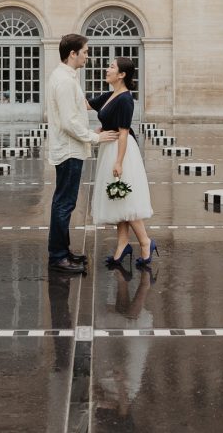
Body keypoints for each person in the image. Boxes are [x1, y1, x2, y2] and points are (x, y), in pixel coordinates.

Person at [47, 34, 117, 274]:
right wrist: (95, 137)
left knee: (64, 202)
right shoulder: (65, 81)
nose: (88, 56)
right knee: (64, 203)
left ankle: (63, 252)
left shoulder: (65, 77)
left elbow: (73, 115)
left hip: (69, 147)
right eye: (85, 52)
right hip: (69, 150)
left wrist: (89, 131)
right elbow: (69, 122)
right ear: (72, 54)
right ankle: (58, 257)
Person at [88, 58, 157, 268]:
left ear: (122, 75)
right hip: (109, 148)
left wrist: (118, 162)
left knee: (125, 198)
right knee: (118, 198)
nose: (106, 69)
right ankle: (122, 245)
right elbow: (84, 104)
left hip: (122, 152)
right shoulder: (109, 96)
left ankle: (145, 242)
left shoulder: (126, 99)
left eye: (111, 67)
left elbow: (124, 133)